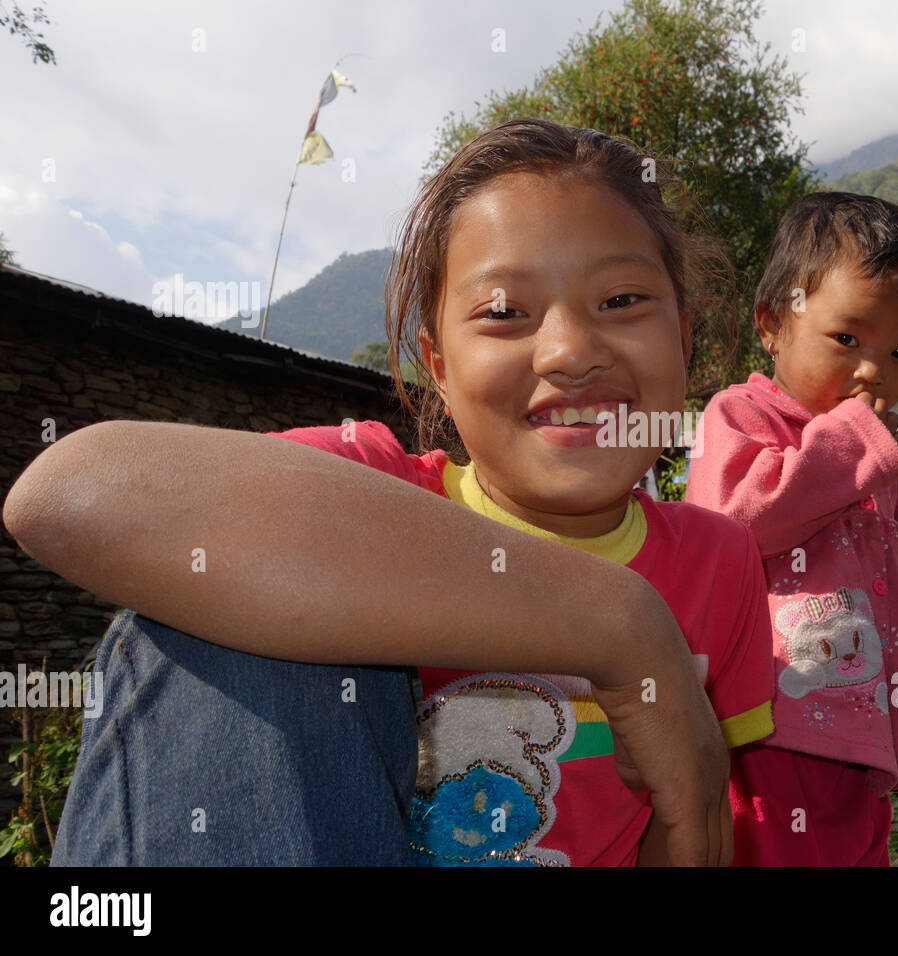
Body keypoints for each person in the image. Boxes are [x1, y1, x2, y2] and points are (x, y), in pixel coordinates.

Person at [2, 118, 775, 867]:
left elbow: (697, 819)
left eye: (622, 301)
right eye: (505, 312)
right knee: (227, 610)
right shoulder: (372, 487)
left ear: (685, 334)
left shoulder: (720, 561)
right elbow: (65, 492)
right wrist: (620, 624)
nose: (570, 351)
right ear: (439, 366)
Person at [684, 192, 898, 866]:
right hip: (771, 730)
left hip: (865, 735)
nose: (873, 370)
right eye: (848, 339)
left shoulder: (877, 457)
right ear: (773, 323)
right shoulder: (740, 416)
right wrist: (848, 446)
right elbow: (732, 527)